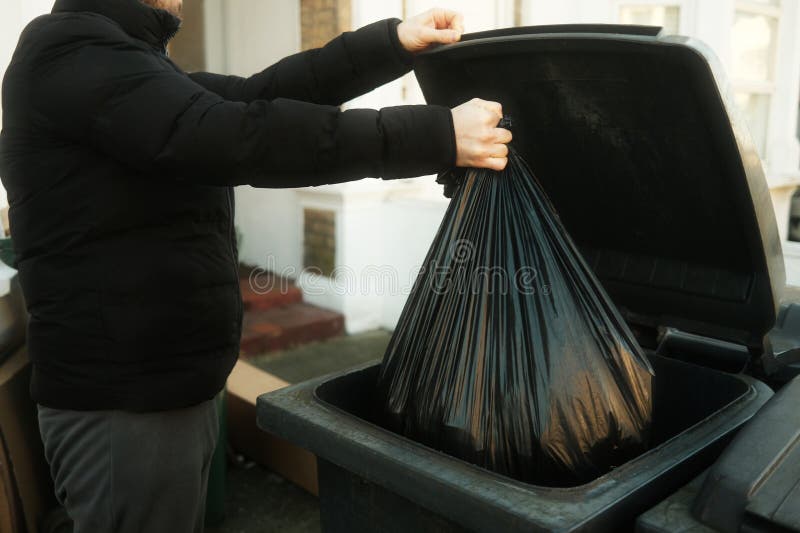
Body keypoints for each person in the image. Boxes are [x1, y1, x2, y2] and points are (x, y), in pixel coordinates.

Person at [0, 0, 512, 531]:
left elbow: (258, 95)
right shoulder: (70, 52)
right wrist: (437, 136)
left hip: (163, 387)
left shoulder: (120, 58)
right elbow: (232, 134)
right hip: (125, 403)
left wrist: (391, 44)